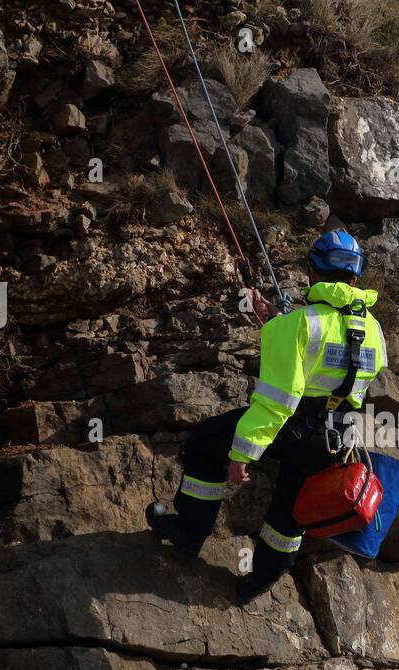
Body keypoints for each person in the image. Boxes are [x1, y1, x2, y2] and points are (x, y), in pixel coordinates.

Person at [146, 229, 386, 603]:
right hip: (335, 437)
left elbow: (278, 401)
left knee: (206, 443)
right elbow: (335, 361)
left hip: (292, 428)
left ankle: (188, 532)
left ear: (312, 273)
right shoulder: (374, 330)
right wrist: (276, 321)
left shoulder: (299, 325)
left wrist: (243, 455)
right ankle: (260, 580)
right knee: (291, 508)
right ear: (356, 278)